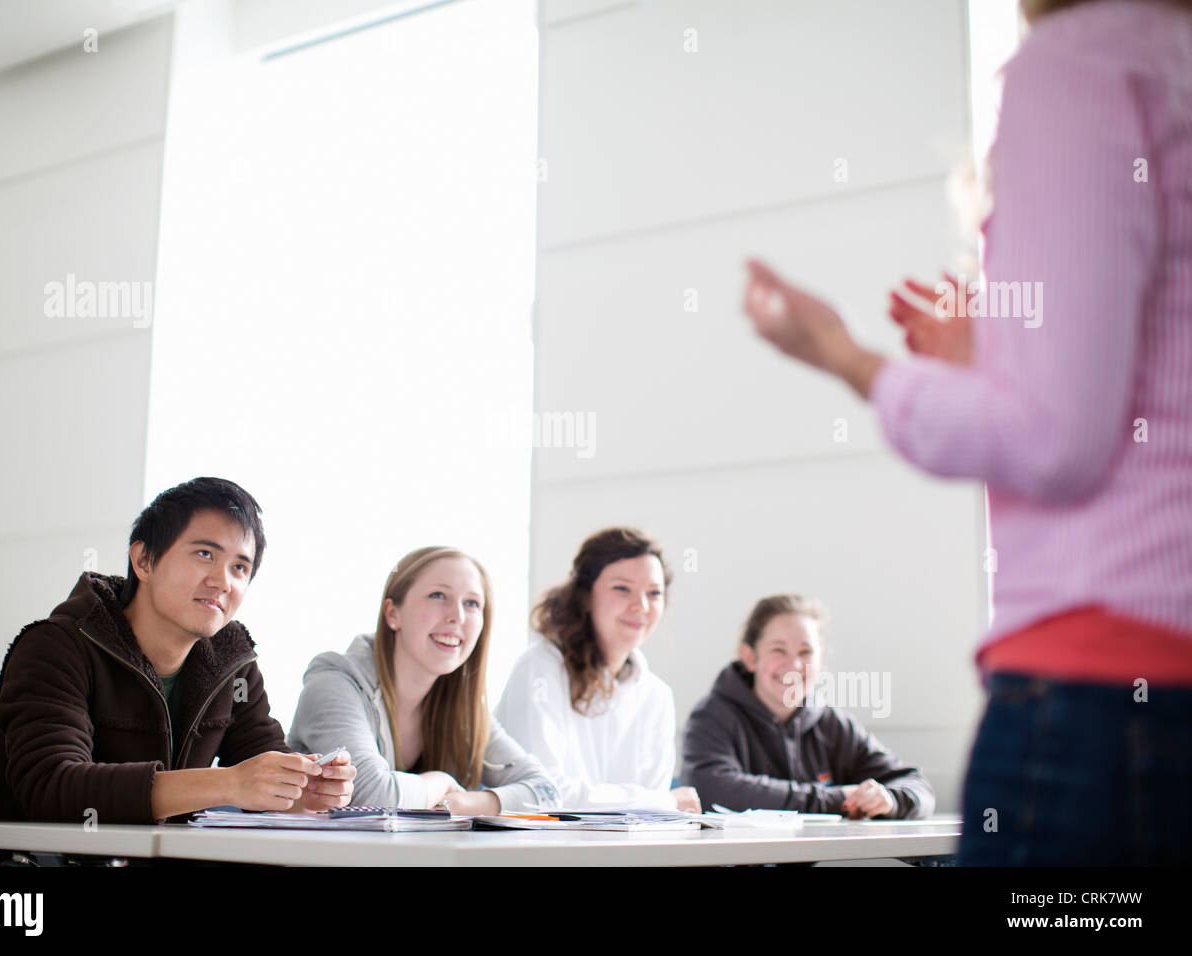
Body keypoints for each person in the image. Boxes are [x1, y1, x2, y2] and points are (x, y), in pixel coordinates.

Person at [741, 0, 1192, 863]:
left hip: (1100, 697)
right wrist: (993, 357)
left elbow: (1057, 440)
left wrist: (850, 360)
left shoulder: (1083, 63)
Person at [0, 477, 356, 824]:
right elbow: (51, 788)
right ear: (144, 560)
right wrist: (229, 783)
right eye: (205, 554)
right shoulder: (55, 647)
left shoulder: (232, 660)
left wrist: (306, 791)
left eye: (240, 567)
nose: (222, 582)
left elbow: (260, 765)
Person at [288, 546, 558, 813]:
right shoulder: (335, 682)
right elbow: (371, 797)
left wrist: (458, 803)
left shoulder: (463, 708)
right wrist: (440, 784)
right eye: (438, 595)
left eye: (472, 603)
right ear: (393, 614)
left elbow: (546, 791)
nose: (458, 617)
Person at [496, 528, 700, 812]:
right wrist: (661, 802)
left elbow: (651, 816)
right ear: (585, 596)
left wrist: (656, 803)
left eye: (654, 593)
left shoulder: (657, 696)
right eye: (622, 588)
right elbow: (540, 794)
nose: (640, 606)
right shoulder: (539, 669)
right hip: (544, 852)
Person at [681, 594, 934, 819]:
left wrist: (889, 800)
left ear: (820, 659)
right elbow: (711, 790)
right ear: (750, 657)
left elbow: (917, 786)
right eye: (778, 650)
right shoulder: (711, 718)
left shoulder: (832, 724)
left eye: (806, 652)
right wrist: (836, 799)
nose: (794, 665)